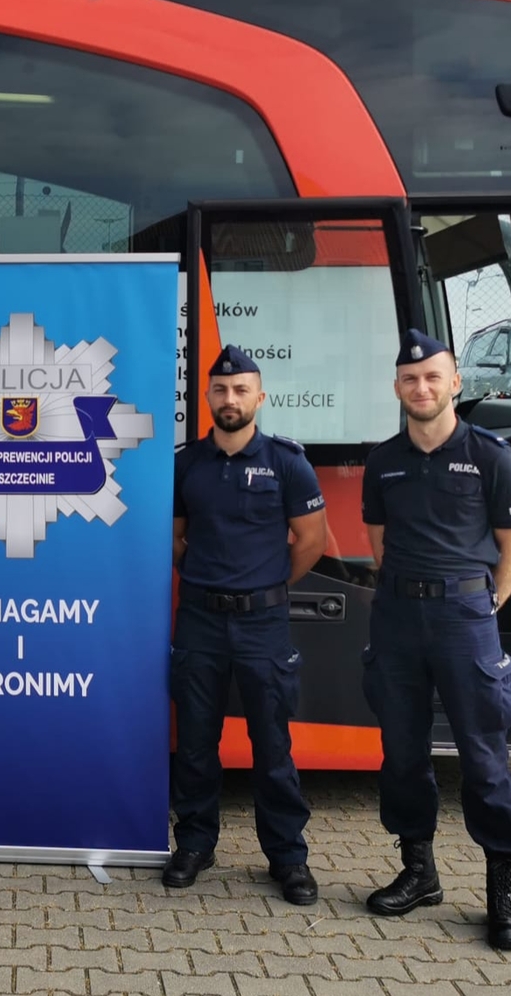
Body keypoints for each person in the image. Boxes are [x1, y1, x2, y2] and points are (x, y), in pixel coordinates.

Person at [362, 328, 511, 951]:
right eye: (410, 378)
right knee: (402, 755)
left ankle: (502, 893)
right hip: (399, 620)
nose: (422, 387)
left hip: (466, 622)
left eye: (434, 376)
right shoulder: (383, 461)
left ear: (455, 382)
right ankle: (419, 872)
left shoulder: (492, 456)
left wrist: (481, 606)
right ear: (397, 387)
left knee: (484, 762)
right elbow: (380, 547)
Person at [166, 344, 328, 904]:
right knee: (194, 744)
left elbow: (310, 542)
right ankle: (194, 844)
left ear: (259, 397)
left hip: (263, 625)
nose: (229, 399)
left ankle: (287, 858)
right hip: (201, 622)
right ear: (207, 397)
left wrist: (267, 585)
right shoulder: (186, 463)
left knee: (272, 747)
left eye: (240, 390)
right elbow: (176, 538)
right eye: (220, 390)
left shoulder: (287, 462)